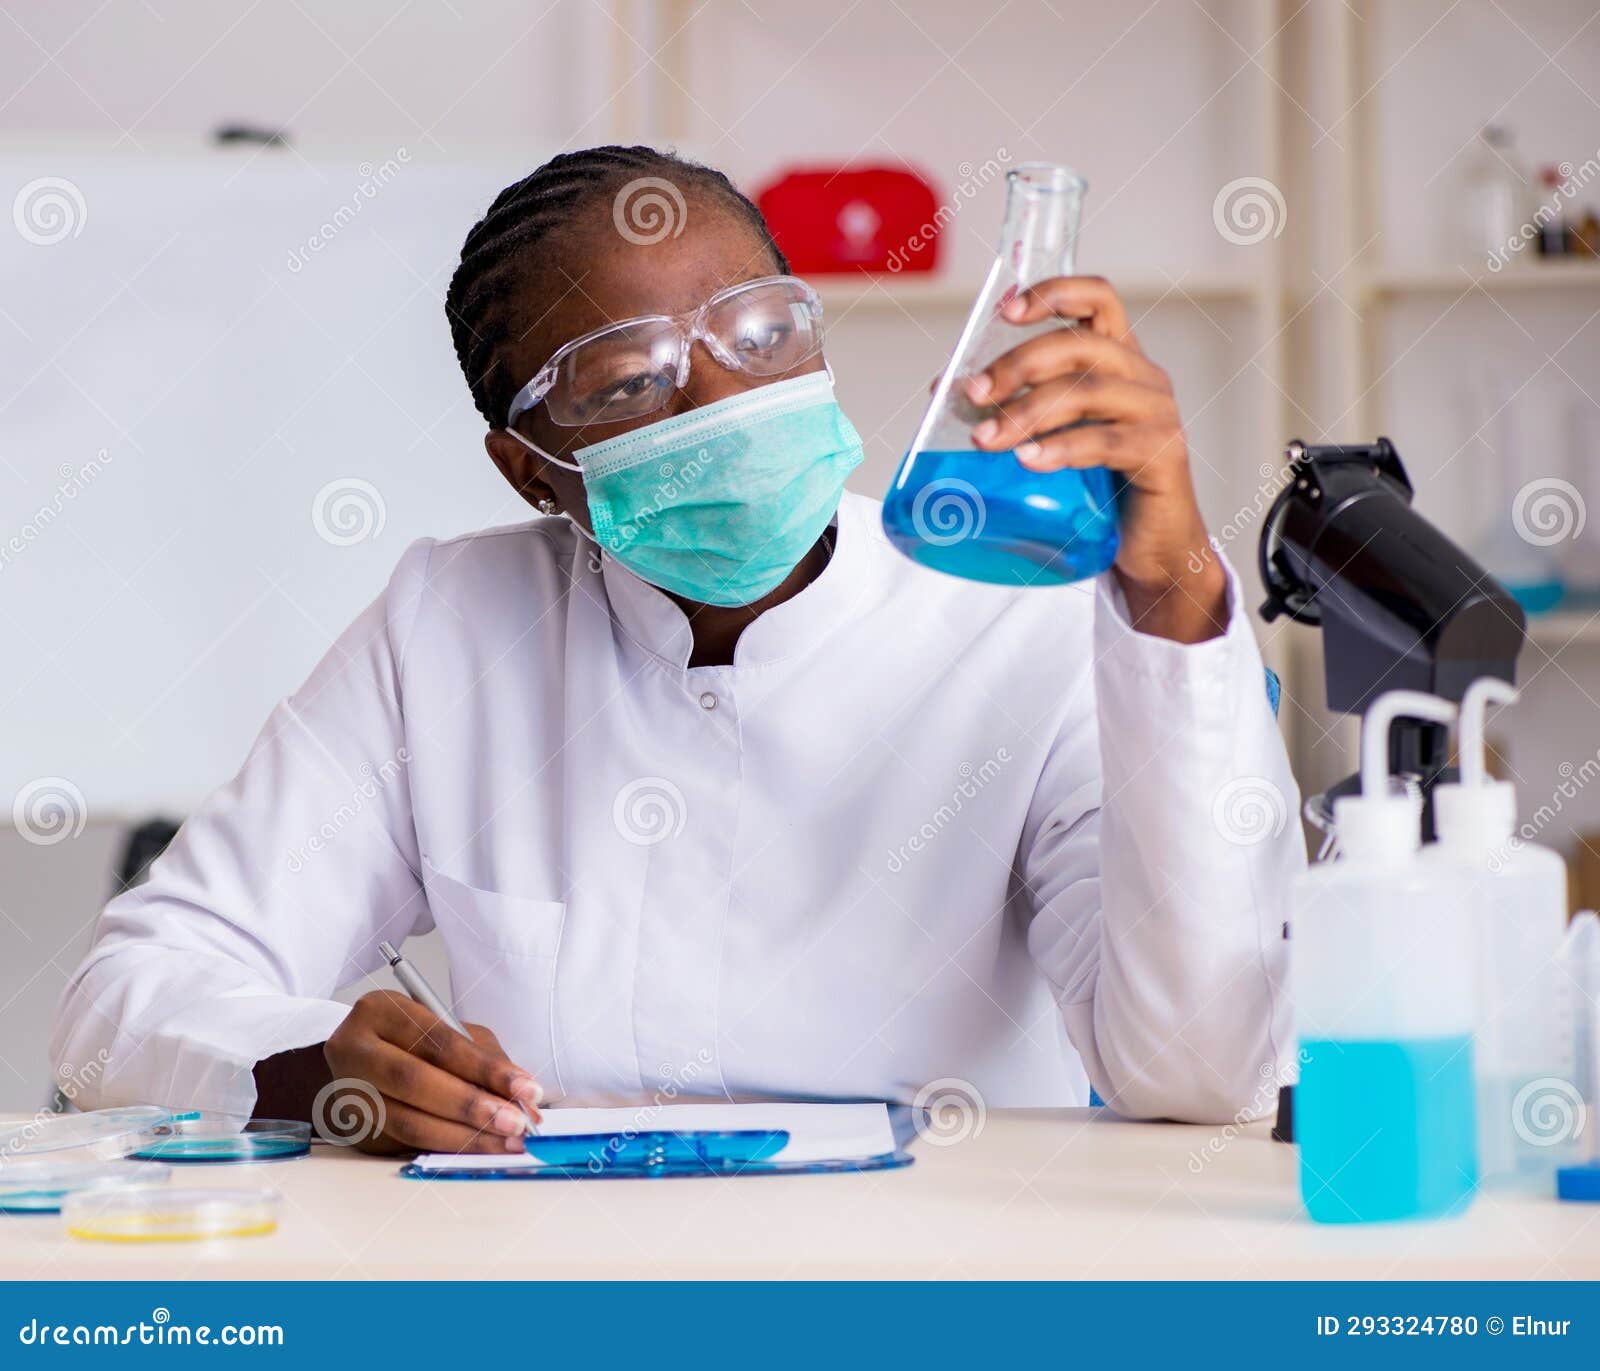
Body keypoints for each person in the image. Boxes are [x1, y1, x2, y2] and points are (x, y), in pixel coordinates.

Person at [53, 146, 1302, 1155]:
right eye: (625, 381)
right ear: (532, 469)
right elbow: (125, 1002)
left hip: (934, 1280)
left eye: (761, 336)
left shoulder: (1018, 625)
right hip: (565, 1288)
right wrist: (311, 1065)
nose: (721, 403)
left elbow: (1199, 1073)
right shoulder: (450, 628)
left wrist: (1171, 589)